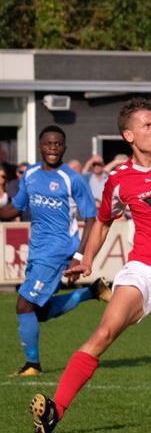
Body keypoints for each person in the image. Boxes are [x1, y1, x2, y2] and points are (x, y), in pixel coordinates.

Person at [28, 98, 151, 433]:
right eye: (148, 125)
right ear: (129, 135)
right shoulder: (119, 179)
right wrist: (86, 259)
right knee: (104, 332)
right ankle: (55, 410)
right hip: (144, 268)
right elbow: (103, 223)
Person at [0, 126, 110, 377]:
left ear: (64, 147)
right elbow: (14, 208)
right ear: (40, 146)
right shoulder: (30, 174)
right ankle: (91, 292)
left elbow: (91, 218)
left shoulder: (73, 179)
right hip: (37, 249)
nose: (52, 148)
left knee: (24, 306)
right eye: (48, 144)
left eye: (57, 144)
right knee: (38, 310)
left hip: (58, 250)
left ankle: (32, 365)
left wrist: (79, 256)